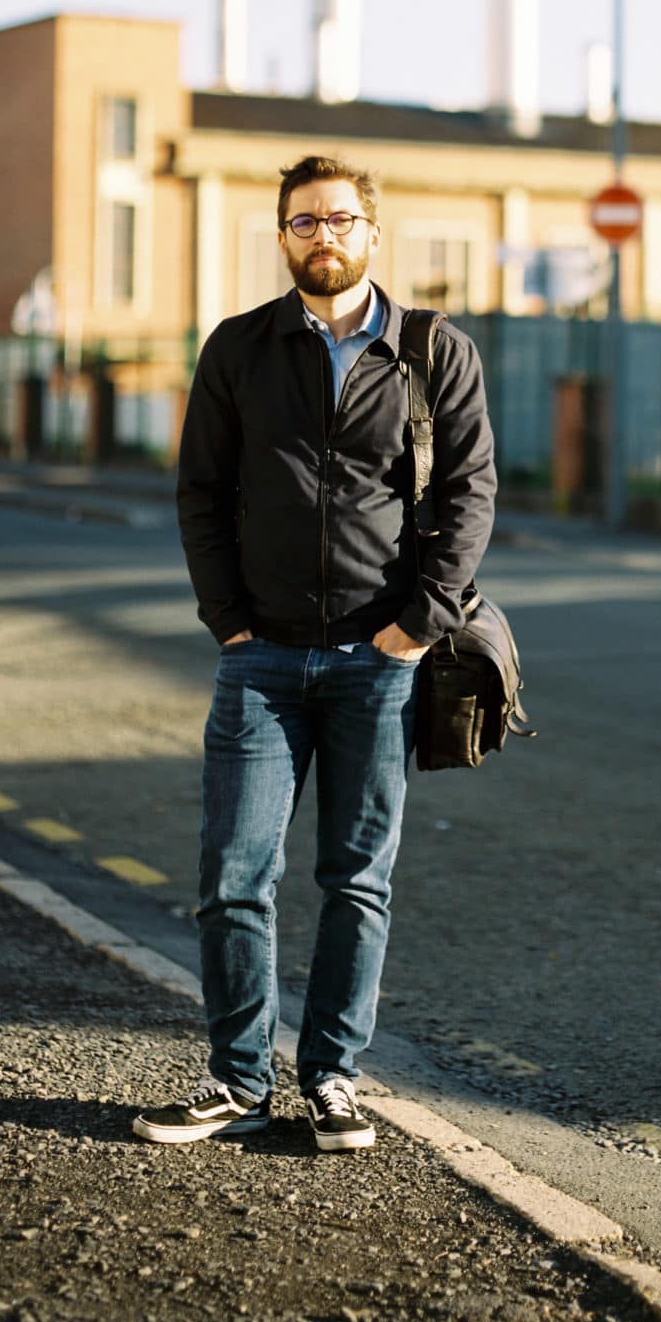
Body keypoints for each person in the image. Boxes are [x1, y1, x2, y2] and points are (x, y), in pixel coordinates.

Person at [134, 153, 497, 1152]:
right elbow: (200, 493)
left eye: (339, 219)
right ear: (283, 235)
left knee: (356, 878)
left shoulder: (432, 351)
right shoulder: (240, 348)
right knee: (234, 874)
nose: (322, 235)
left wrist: (415, 627)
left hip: (377, 662)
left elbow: (472, 493)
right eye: (303, 222)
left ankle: (333, 1078)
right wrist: (229, 620)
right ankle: (238, 1080)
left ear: (373, 234)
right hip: (260, 662)